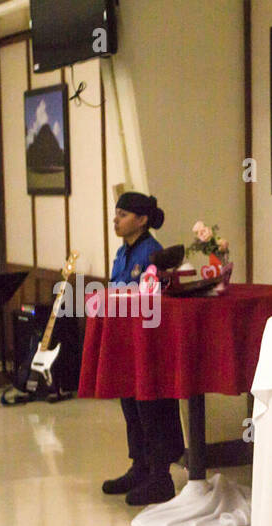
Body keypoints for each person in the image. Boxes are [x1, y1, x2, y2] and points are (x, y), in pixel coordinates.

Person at [100, 191, 184, 506]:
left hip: (149, 342)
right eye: (116, 213)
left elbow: (154, 297)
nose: (115, 220)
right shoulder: (123, 252)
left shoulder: (153, 254)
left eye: (122, 215)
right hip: (126, 338)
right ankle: (140, 467)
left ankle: (160, 476)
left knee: (151, 408)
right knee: (131, 405)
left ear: (142, 220)